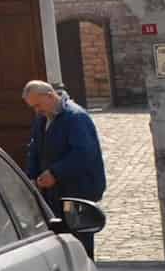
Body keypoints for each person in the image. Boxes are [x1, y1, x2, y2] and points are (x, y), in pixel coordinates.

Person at [22, 79, 106, 259]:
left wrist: (55, 173)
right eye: (33, 107)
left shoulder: (75, 117)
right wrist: (32, 177)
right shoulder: (42, 119)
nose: (36, 110)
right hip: (53, 194)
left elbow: (83, 154)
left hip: (77, 193)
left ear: (50, 96)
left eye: (38, 105)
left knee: (79, 245)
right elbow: (35, 150)